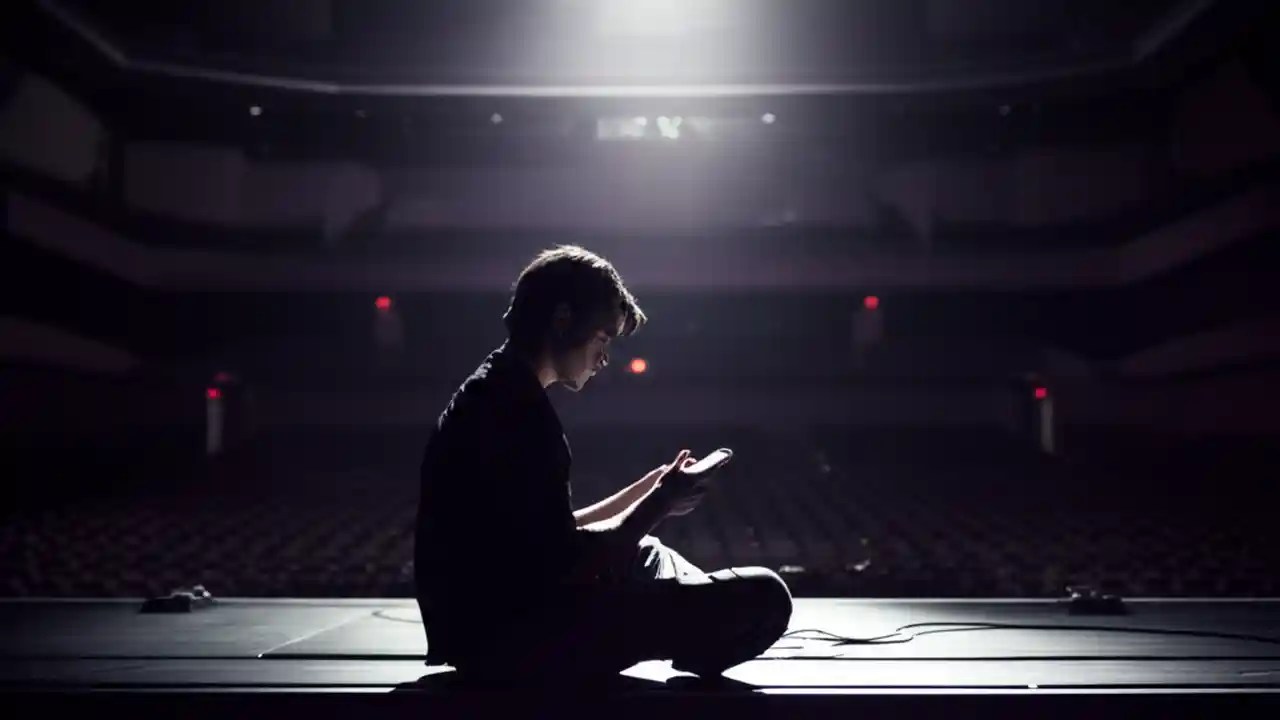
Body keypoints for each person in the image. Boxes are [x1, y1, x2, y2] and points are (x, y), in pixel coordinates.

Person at [414, 245, 792, 683]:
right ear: (562, 319)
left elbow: (544, 536)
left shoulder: (495, 390)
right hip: (512, 640)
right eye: (602, 338)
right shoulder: (517, 414)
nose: (605, 357)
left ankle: (697, 625)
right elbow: (564, 565)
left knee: (646, 552)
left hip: (486, 625)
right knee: (767, 595)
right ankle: (702, 632)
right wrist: (659, 505)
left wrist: (651, 491)